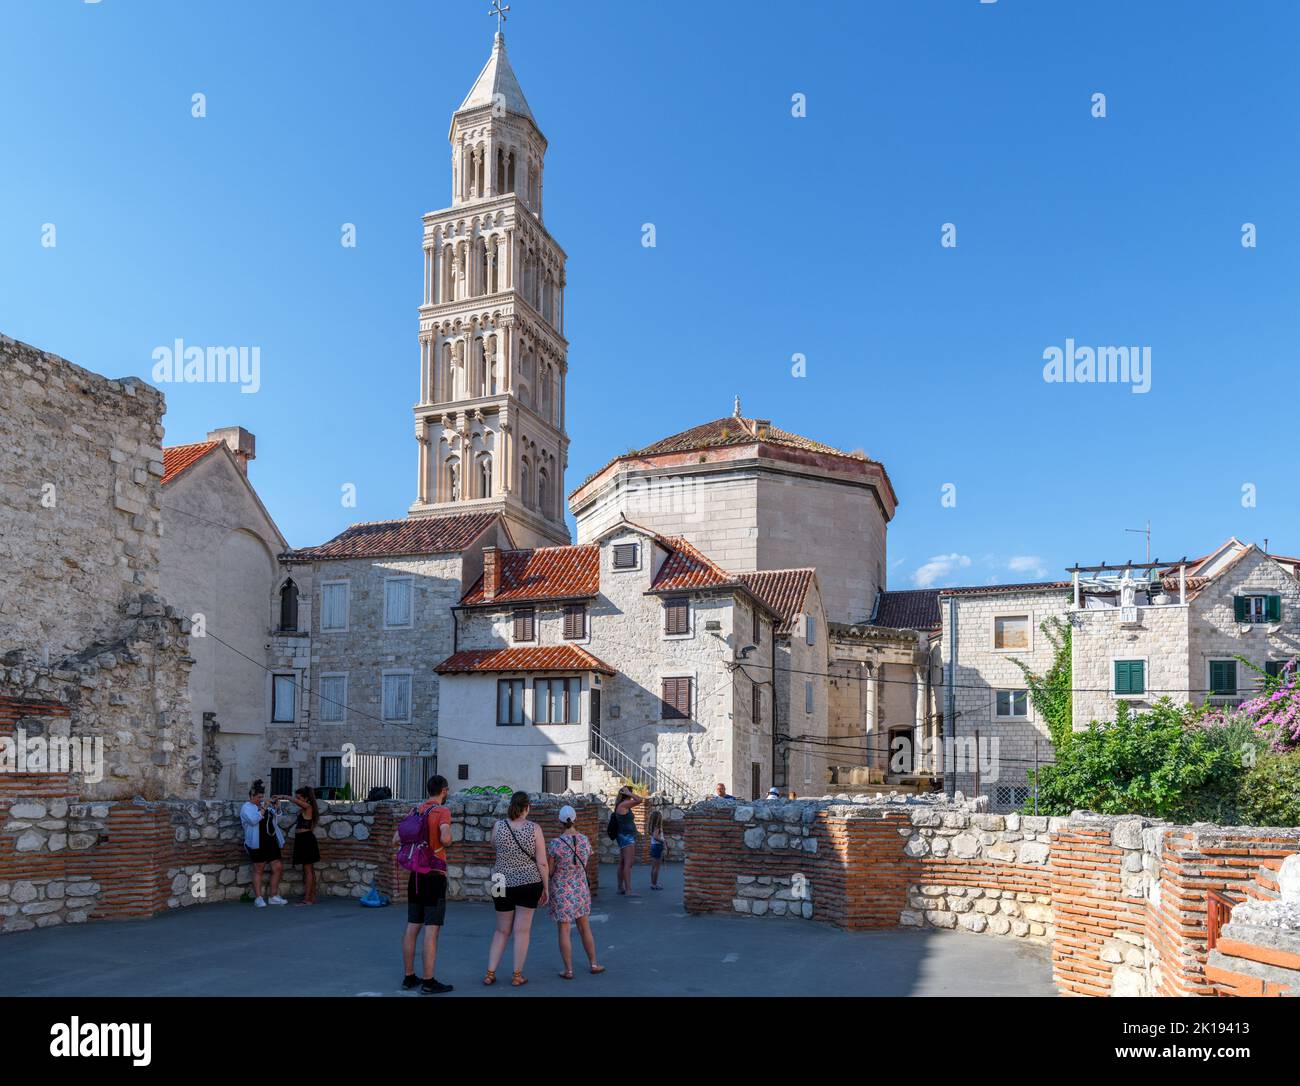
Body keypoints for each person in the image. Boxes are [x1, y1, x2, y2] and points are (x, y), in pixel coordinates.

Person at [394, 774, 453, 995]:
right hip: (435, 876)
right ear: (444, 791)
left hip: (416, 876)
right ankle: (429, 981)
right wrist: (446, 838)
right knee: (432, 929)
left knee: (413, 925)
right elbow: (445, 837)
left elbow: (395, 839)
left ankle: (409, 977)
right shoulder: (442, 811)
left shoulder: (416, 810)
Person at [485, 791, 548, 987]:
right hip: (528, 881)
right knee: (521, 931)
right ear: (527, 808)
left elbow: (493, 845)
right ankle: (517, 975)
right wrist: (546, 888)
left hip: (499, 880)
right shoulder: (534, 828)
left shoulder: (498, 826)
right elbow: (542, 862)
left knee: (501, 930)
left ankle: (490, 972)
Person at [546, 805, 605, 980]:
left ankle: (568, 970)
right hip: (580, 888)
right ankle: (594, 964)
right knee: (584, 928)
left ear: (560, 821)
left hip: (562, 890)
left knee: (564, 930)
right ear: (575, 819)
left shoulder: (555, 844)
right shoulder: (585, 840)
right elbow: (585, 863)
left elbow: (550, 871)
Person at [240, 779, 287, 907]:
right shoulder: (246, 808)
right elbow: (253, 820)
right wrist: (264, 807)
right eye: (258, 797)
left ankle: (273, 896)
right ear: (251, 796)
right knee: (258, 868)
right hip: (257, 843)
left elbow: (277, 820)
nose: (261, 799)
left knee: (277, 867)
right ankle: (258, 898)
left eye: (262, 797)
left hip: (271, 841)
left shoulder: (264, 806)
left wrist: (277, 808)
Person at [290, 786, 321, 905]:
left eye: (299, 798)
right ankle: (311, 897)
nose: (296, 800)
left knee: (308, 870)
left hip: (306, 840)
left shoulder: (308, 808)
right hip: (302, 840)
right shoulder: (304, 809)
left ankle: (307, 899)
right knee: (309, 870)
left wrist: (285, 797)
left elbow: (299, 803)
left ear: (306, 799)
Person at [613, 786, 643, 895]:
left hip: (623, 836)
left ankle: (620, 888)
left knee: (622, 862)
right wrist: (629, 793)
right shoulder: (624, 804)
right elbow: (640, 800)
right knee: (628, 864)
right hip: (627, 837)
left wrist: (628, 793)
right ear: (627, 794)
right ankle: (629, 890)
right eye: (631, 793)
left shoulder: (621, 804)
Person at [647, 809, 667, 891]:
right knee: (656, 867)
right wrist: (663, 841)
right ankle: (654, 884)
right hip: (657, 846)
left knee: (653, 867)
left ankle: (653, 883)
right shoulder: (657, 827)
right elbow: (656, 837)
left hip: (653, 846)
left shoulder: (652, 827)